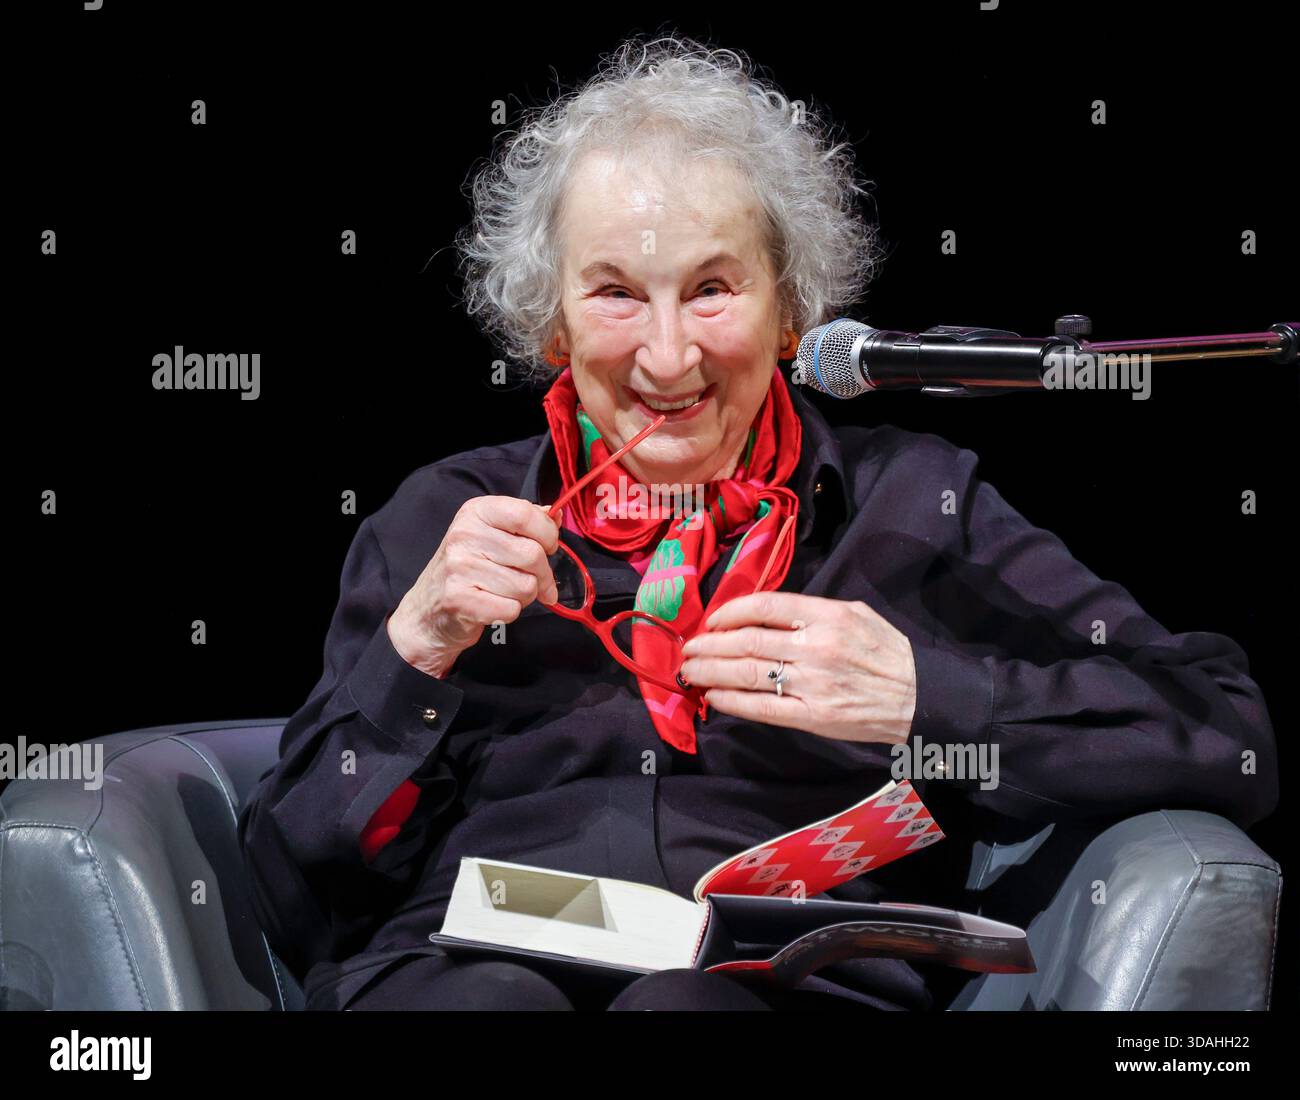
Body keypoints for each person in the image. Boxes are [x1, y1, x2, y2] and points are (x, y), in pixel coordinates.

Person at [236, 35, 1278, 1011]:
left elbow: (1224, 732)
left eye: (712, 290)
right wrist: (411, 653)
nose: (668, 354)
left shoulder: (916, 503)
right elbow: (290, 890)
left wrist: (926, 693)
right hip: (466, 970)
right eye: (614, 294)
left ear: (792, 310)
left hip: (785, 986)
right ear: (549, 324)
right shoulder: (443, 518)